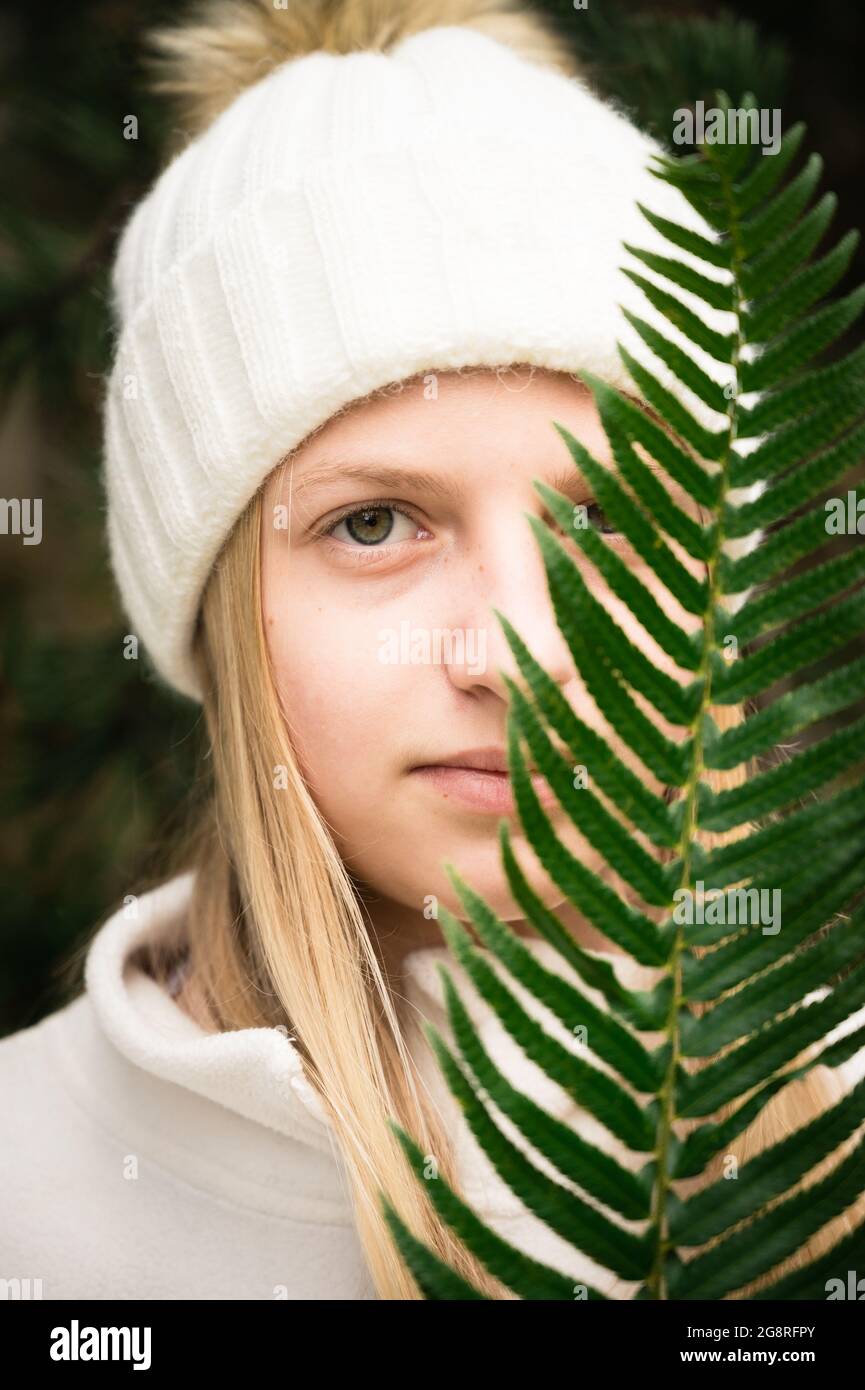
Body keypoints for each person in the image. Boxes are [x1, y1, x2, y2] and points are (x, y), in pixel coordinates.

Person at [2, 0, 863, 1302]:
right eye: (373, 522)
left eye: (614, 521)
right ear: (218, 609)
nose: (512, 652)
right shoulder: (31, 1189)